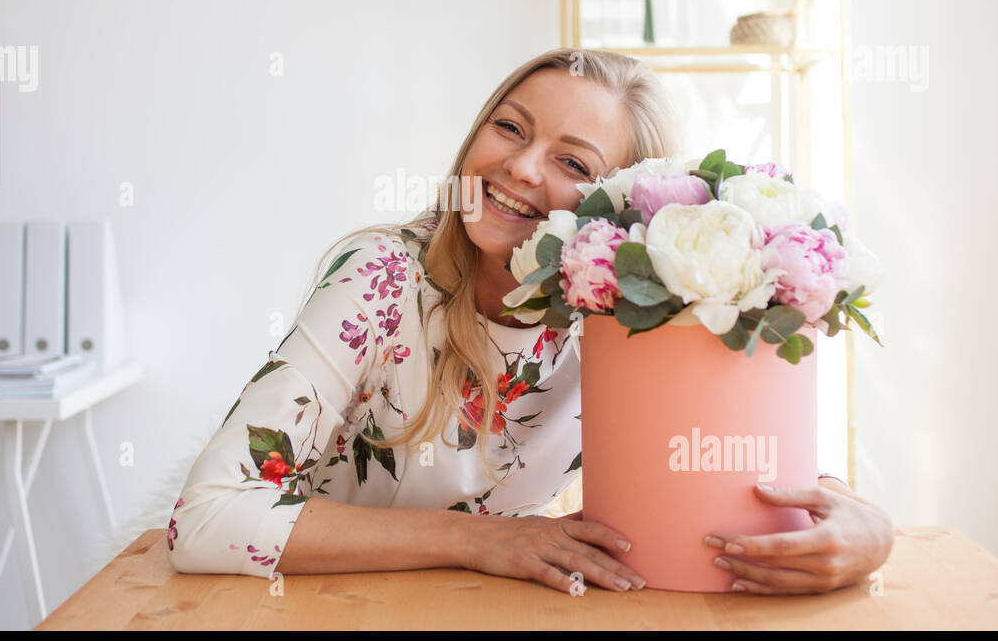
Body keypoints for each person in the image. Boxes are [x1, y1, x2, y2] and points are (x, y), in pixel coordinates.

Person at [166, 47, 895, 595]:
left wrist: (865, 527)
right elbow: (207, 518)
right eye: (509, 128)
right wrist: (477, 542)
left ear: (620, 210)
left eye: (573, 164)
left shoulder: (619, 318)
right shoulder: (383, 277)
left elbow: (725, 454)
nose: (519, 167)